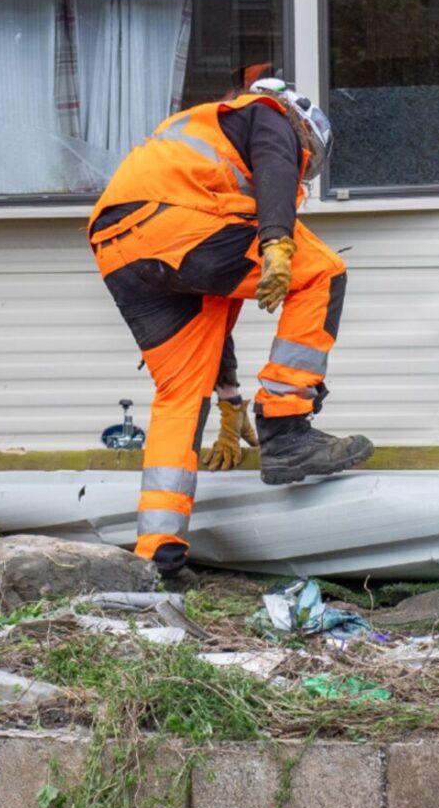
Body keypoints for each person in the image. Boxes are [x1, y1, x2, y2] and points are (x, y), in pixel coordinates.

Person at [88, 77, 372, 586]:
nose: (300, 183)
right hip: (173, 222)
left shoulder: (198, 149)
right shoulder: (270, 114)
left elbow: (215, 315)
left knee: (179, 397)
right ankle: (286, 429)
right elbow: (276, 168)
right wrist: (278, 243)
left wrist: (230, 402)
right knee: (323, 271)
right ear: (303, 131)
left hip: (121, 247)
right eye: (306, 169)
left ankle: (159, 558)